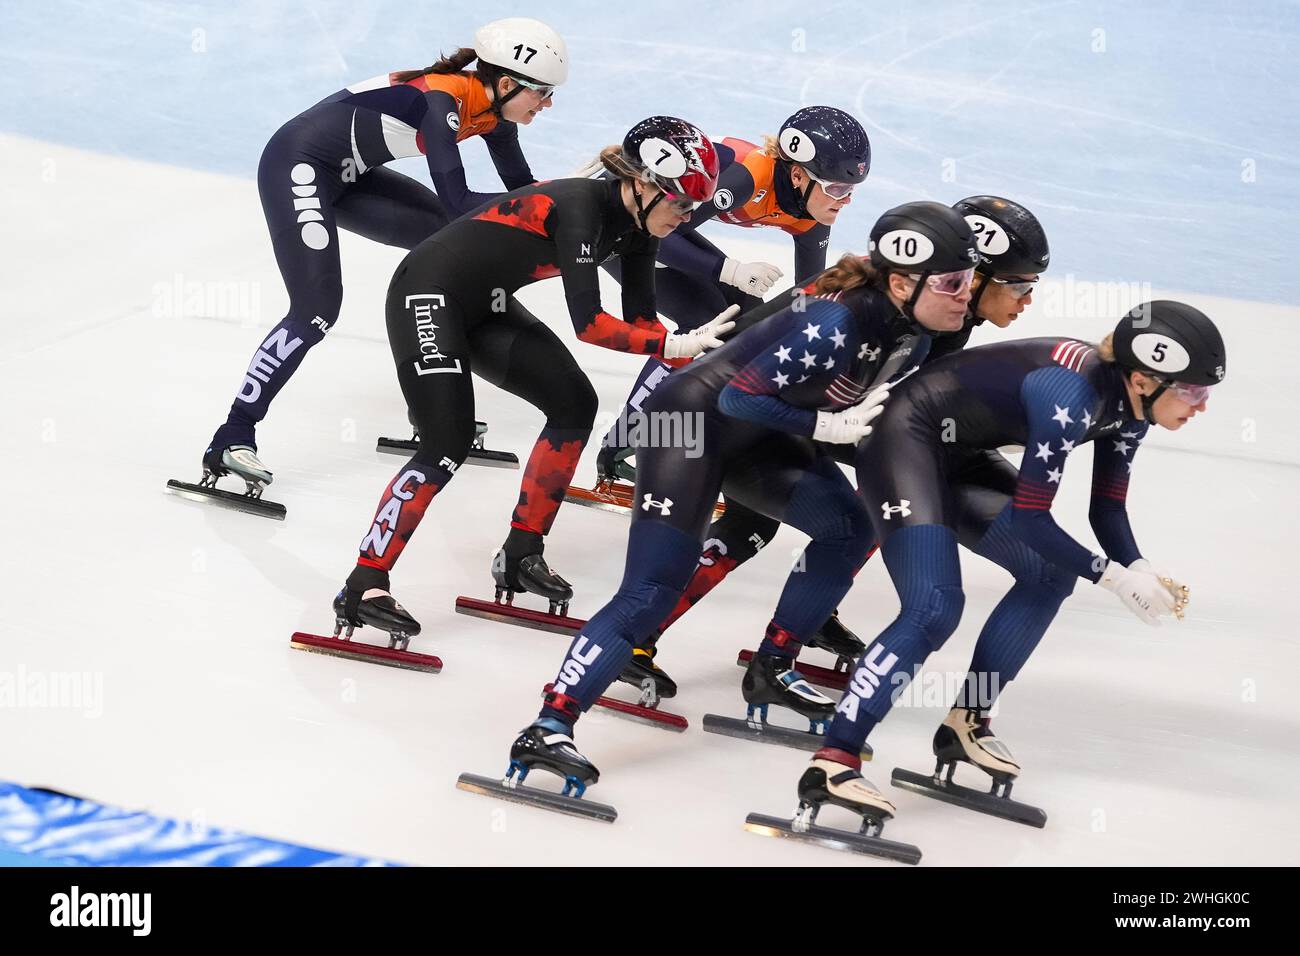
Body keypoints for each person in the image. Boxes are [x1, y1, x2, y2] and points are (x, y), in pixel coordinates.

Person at [498, 202, 981, 797]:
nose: (965, 296)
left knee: (848, 529)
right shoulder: (835, 323)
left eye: (971, 281)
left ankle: (773, 666)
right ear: (904, 281)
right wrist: (824, 431)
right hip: (690, 424)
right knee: (650, 591)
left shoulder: (918, 328)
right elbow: (739, 400)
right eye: (954, 283)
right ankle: (549, 725)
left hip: (762, 434)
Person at [794, 301, 1224, 828]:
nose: (1201, 406)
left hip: (959, 449)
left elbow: (1106, 506)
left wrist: (1140, 564)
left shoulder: (1132, 407)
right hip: (903, 439)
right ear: (1143, 378)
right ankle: (834, 760)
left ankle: (966, 720)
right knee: (934, 607)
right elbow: (1029, 520)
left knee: (1050, 573)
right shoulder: (1068, 393)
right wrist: (1112, 578)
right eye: (1194, 392)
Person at [622, 195, 1053, 698]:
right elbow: (890, 416)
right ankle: (633, 639)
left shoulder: (928, 298)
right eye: (1019, 285)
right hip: (735, 418)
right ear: (973, 275)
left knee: (843, 519)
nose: (1026, 300)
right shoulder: (903, 306)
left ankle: (809, 610)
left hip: (785, 413)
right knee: (797, 521)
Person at [333, 117, 733, 641]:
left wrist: (702, 362)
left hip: (486, 305)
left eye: (692, 209)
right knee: (445, 444)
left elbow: (641, 325)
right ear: (642, 183)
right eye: (680, 204)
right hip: (426, 297)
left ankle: (522, 552)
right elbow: (590, 325)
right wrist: (672, 346)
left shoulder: (640, 229)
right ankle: (364, 584)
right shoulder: (581, 208)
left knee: (574, 404)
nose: (685, 219)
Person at [199, 18, 567, 496]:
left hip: (353, 175)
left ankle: (433, 414)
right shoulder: (442, 101)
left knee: (451, 246)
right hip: (298, 165)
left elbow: (519, 191)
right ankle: (232, 434)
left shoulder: (493, 115)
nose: (548, 104)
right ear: (505, 83)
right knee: (316, 309)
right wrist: (546, 198)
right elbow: (459, 198)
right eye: (541, 92)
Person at [594, 106, 870, 483]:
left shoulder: (812, 211)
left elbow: (807, 296)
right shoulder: (748, 177)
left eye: (852, 190)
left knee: (745, 323)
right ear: (797, 174)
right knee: (705, 324)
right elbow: (661, 234)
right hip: (626, 224)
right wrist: (730, 271)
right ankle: (622, 445)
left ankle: (683, 441)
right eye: (837, 189)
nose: (846, 200)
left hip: (669, 224)